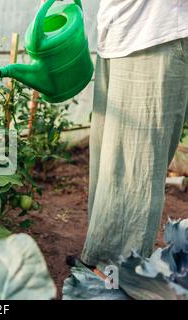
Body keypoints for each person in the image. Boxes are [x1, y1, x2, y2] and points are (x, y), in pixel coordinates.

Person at [80, 0, 188, 267]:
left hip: (154, 33)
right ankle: (101, 257)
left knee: (133, 168)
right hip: (119, 31)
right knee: (107, 165)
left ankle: (118, 272)